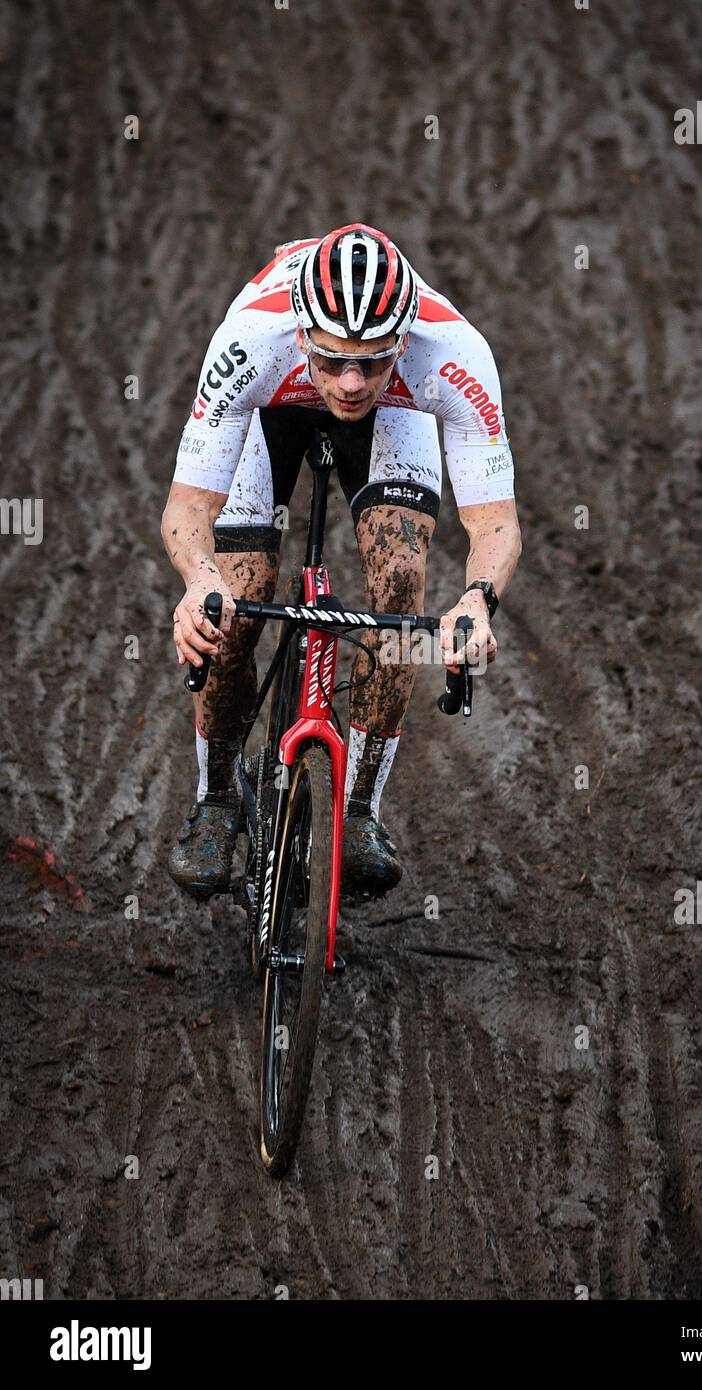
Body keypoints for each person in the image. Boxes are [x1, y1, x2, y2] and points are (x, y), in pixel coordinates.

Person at [161, 222, 521, 901]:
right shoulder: (253, 337)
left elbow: (496, 522)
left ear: (406, 339)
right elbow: (187, 509)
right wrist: (197, 580)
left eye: (374, 360)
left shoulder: (454, 352)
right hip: (273, 408)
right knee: (235, 599)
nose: (352, 382)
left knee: (401, 588)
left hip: (398, 419)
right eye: (330, 360)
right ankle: (215, 799)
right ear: (301, 335)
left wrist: (477, 598)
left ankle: (357, 812)